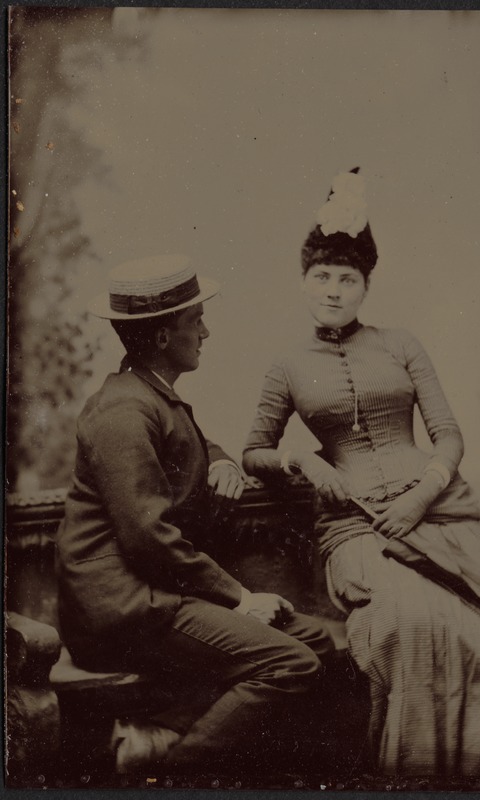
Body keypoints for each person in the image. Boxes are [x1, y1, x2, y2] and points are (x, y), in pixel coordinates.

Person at [242, 169, 480, 778]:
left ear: (366, 285)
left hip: (436, 514)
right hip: (355, 530)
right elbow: (255, 448)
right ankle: (406, 777)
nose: (333, 291)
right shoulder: (286, 365)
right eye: (321, 277)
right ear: (304, 281)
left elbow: (449, 435)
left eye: (347, 278)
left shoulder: (402, 344)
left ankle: (471, 775)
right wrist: (303, 459)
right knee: (412, 621)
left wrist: (421, 497)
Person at [55, 254, 335, 776]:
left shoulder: (148, 397)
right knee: (291, 663)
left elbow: (187, 441)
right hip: (122, 611)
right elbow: (146, 537)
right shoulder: (122, 411)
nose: (205, 332)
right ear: (162, 337)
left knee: (316, 638)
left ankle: (159, 731)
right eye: (195, 322)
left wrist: (225, 460)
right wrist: (241, 598)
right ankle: (175, 774)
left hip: (150, 595)